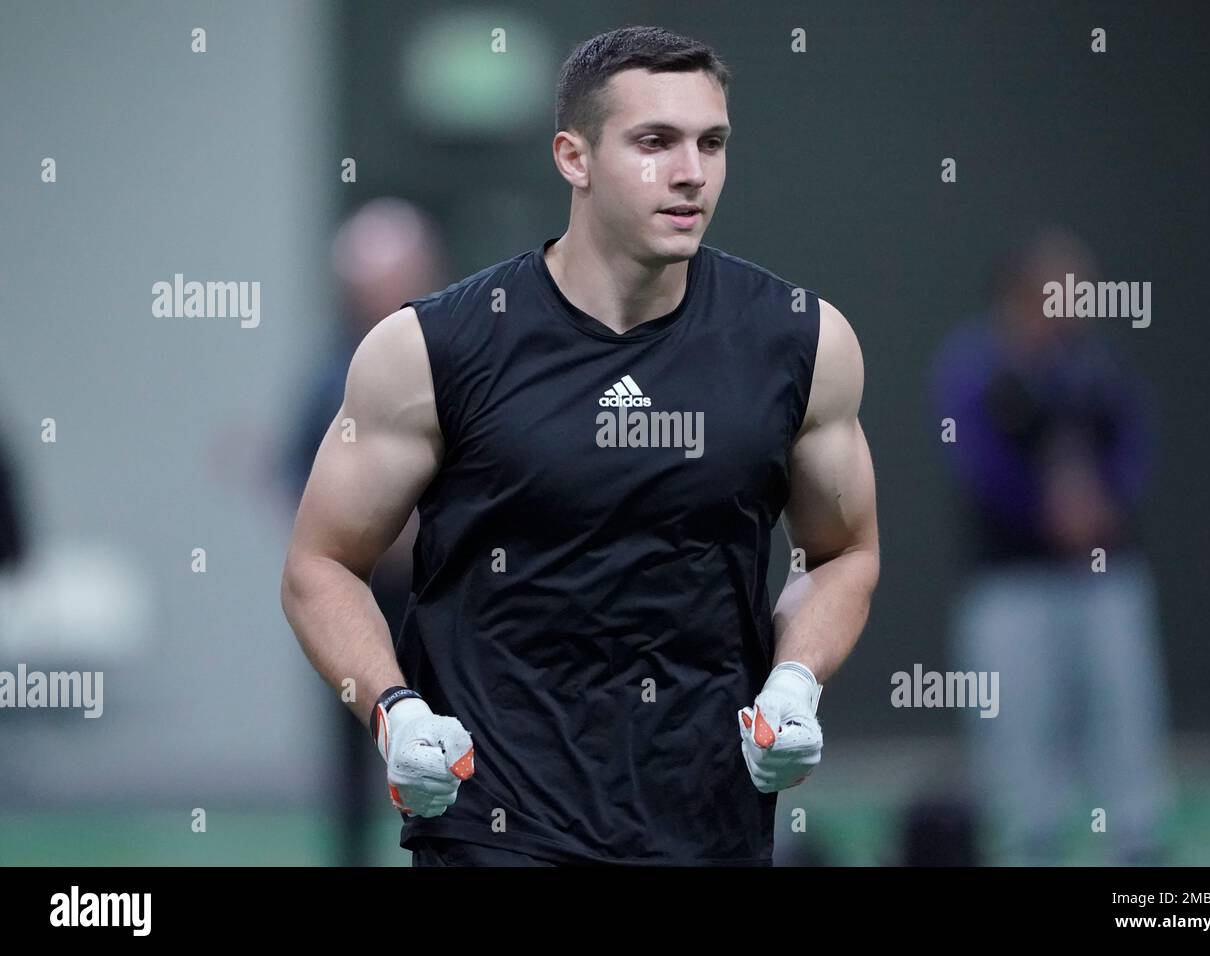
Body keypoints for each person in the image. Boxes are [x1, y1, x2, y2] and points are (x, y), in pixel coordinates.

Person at [281, 25, 880, 866]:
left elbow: (843, 550)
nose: (690, 172)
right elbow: (321, 563)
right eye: (654, 142)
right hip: (496, 823)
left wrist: (795, 682)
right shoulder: (432, 348)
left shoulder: (800, 340)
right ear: (574, 157)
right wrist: (397, 712)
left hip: (706, 822)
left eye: (711, 143)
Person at [931, 227, 1173, 865]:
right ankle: (1025, 836)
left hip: (1103, 574)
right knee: (1016, 719)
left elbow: (1133, 447)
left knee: (1121, 705)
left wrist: (1103, 504)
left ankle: (1135, 837)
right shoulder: (974, 367)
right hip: (1010, 581)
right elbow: (974, 460)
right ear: (1021, 293)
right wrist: (1045, 510)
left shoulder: (1097, 364)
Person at [283, 198, 449, 866]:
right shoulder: (332, 378)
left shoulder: (460, 363)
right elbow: (300, 486)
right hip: (364, 588)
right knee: (359, 747)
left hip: (446, 593)